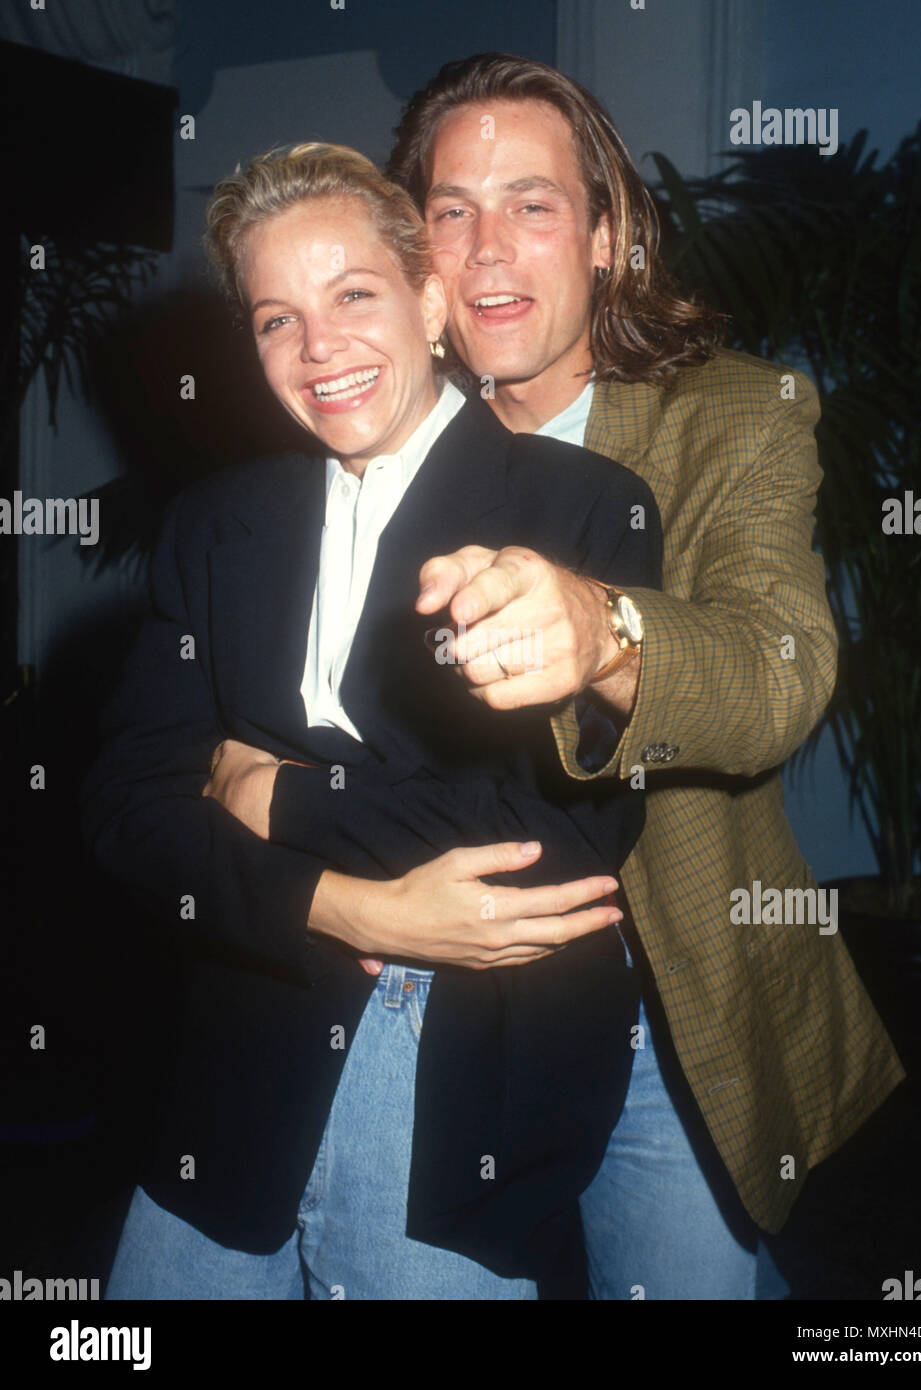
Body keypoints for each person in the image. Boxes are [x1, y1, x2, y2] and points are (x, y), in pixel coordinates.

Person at [220, 52, 906, 1300]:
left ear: (602, 236)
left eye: (532, 206)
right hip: (440, 1006)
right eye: (449, 210)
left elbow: (776, 670)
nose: (487, 251)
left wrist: (602, 636)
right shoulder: (355, 425)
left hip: (669, 1017)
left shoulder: (734, 418)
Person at [83, 142, 666, 1299]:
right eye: (273, 320)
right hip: (245, 1047)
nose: (317, 349)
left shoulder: (580, 505)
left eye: (352, 295)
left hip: (465, 1076)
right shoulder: (217, 523)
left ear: (430, 300)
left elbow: (558, 844)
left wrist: (267, 791)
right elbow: (124, 807)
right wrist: (345, 901)